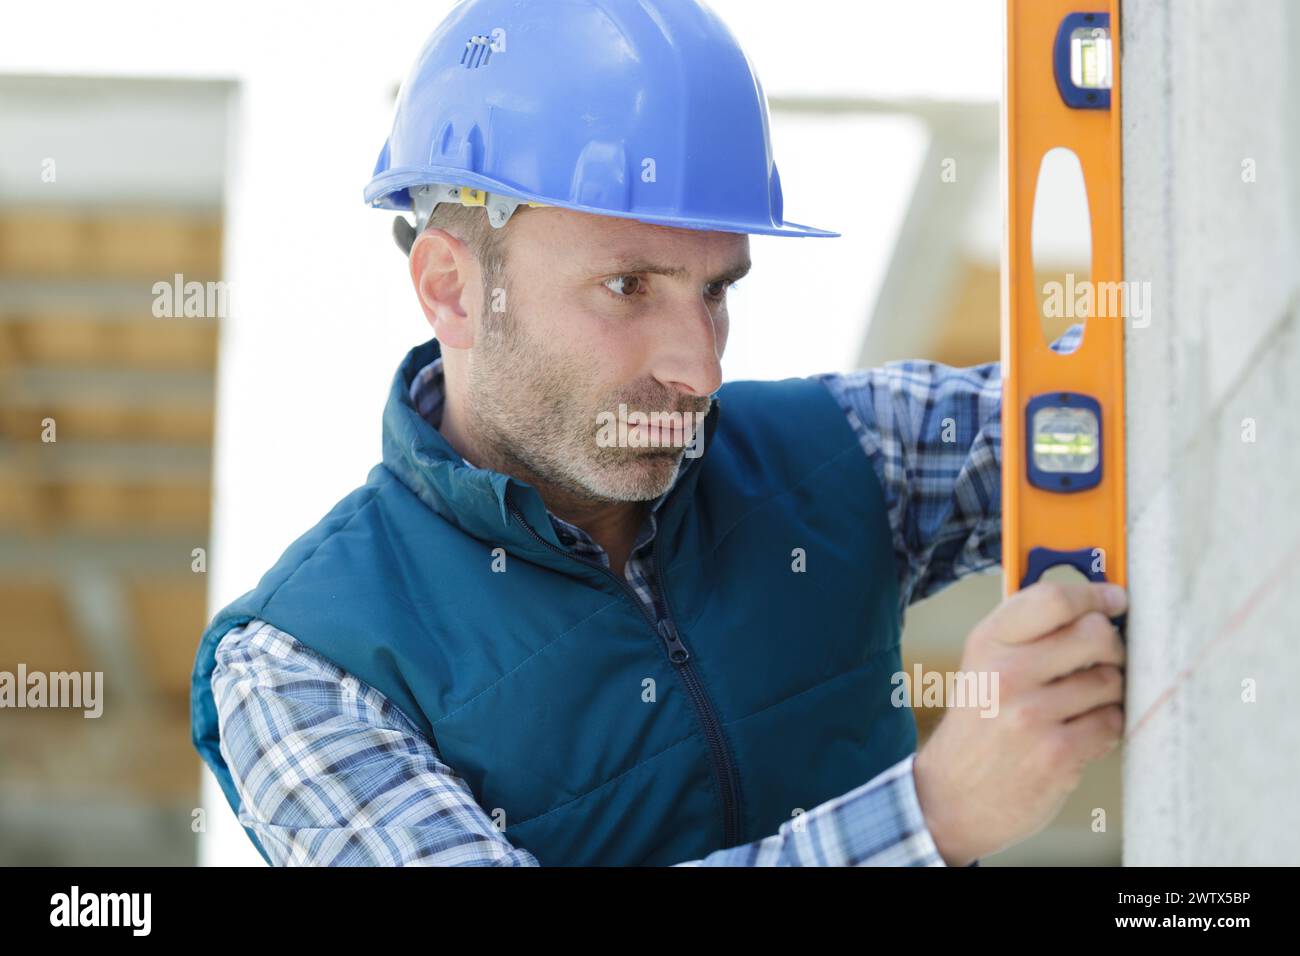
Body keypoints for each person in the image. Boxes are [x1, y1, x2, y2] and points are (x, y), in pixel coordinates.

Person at [190, 0, 1126, 866]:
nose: (700, 369)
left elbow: (1121, 414)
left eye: (716, 290)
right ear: (453, 287)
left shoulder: (840, 453)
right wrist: (933, 816)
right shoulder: (306, 665)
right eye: (628, 286)